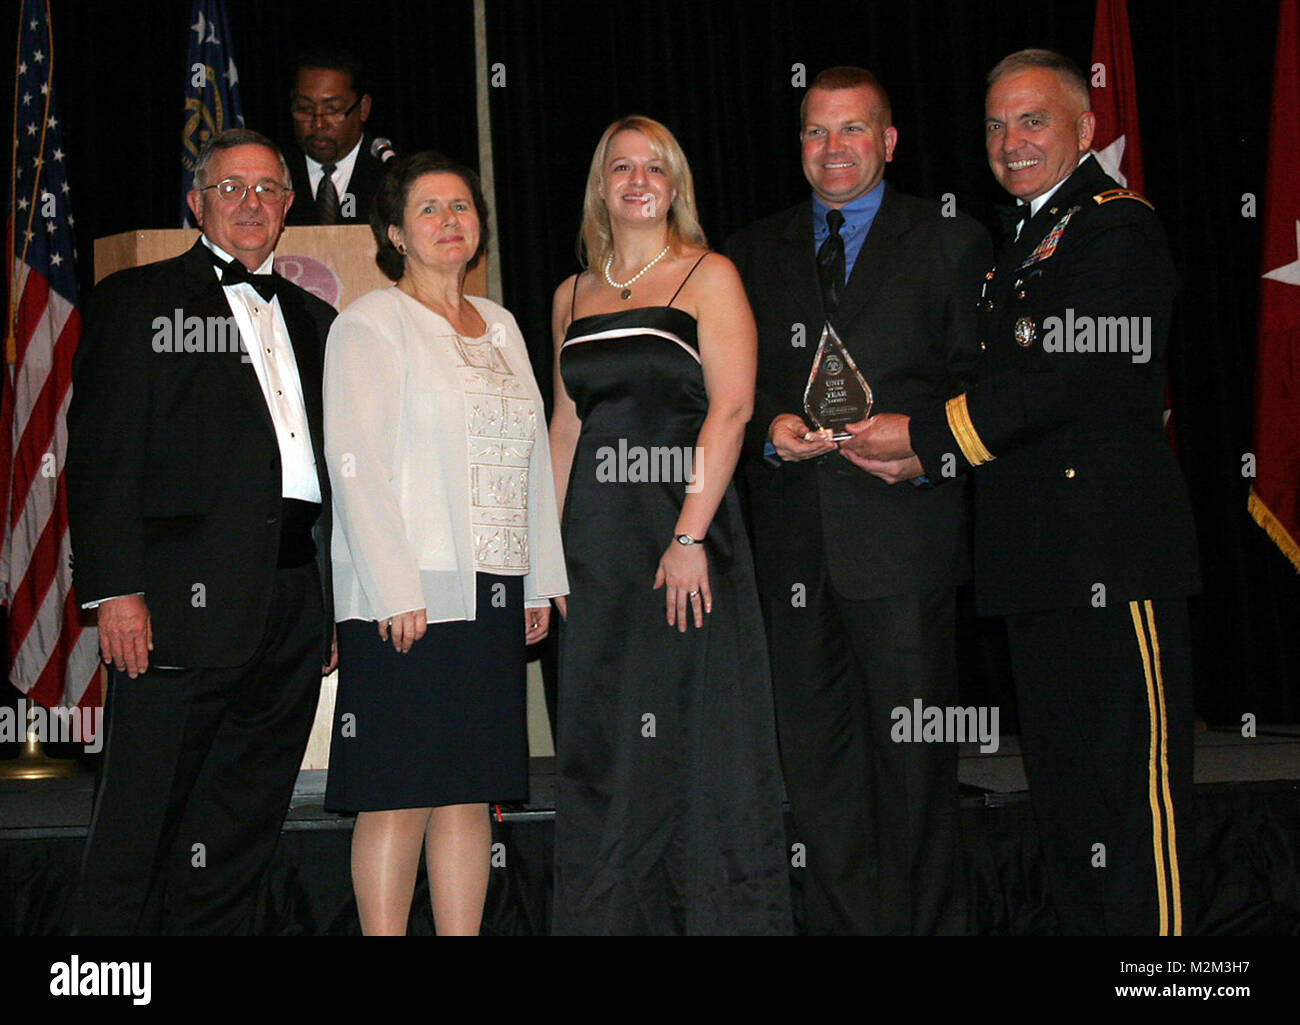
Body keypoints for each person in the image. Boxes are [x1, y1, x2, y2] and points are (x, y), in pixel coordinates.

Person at [854, 49, 1200, 935]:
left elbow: (1063, 378)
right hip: (1036, 564)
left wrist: (926, 439)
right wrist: (913, 443)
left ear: (1085, 129)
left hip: (1115, 561)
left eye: (1033, 119)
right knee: (1070, 802)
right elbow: (994, 387)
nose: (1010, 141)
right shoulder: (1016, 245)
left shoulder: (1115, 227)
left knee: (1135, 799)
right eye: (996, 125)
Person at [725, 67, 992, 935]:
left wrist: (920, 447)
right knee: (821, 773)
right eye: (814, 131)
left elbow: (983, 387)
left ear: (889, 141)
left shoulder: (950, 239)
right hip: (795, 552)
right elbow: (738, 389)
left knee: (915, 772)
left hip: (904, 544)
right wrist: (772, 428)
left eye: (852, 131)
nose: (831, 149)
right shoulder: (753, 250)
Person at [67, 128, 337, 934]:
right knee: (137, 828)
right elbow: (103, 459)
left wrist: (326, 603)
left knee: (238, 831)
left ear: (289, 207)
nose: (250, 203)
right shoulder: (136, 300)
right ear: (197, 202)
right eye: (231, 188)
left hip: (291, 608)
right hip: (175, 613)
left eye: (266, 190)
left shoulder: (319, 319)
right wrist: (116, 591)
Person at [549, 116, 791, 935]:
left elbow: (731, 411)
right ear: (601, 185)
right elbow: (565, 428)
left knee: (696, 739)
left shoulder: (708, 274)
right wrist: (546, 559)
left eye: (655, 166)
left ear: (676, 183)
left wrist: (689, 536)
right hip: (593, 545)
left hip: (681, 535)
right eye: (621, 166)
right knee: (602, 745)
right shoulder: (570, 294)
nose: (638, 179)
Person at [323, 152, 567, 935]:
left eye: (461, 206)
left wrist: (537, 580)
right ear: (394, 231)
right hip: (411, 592)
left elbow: (530, 457)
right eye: (429, 209)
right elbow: (354, 466)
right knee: (400, 790)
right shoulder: (369, 322)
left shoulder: (501, 325)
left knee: (469, 788)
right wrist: (395, 589)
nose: (450, 221)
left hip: (493, 587)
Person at [284, 47, 386, 226]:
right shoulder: (276, 172)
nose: (318, 124)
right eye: (305, 109)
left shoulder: (392, 175)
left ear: (363, 107)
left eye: (332, 110)